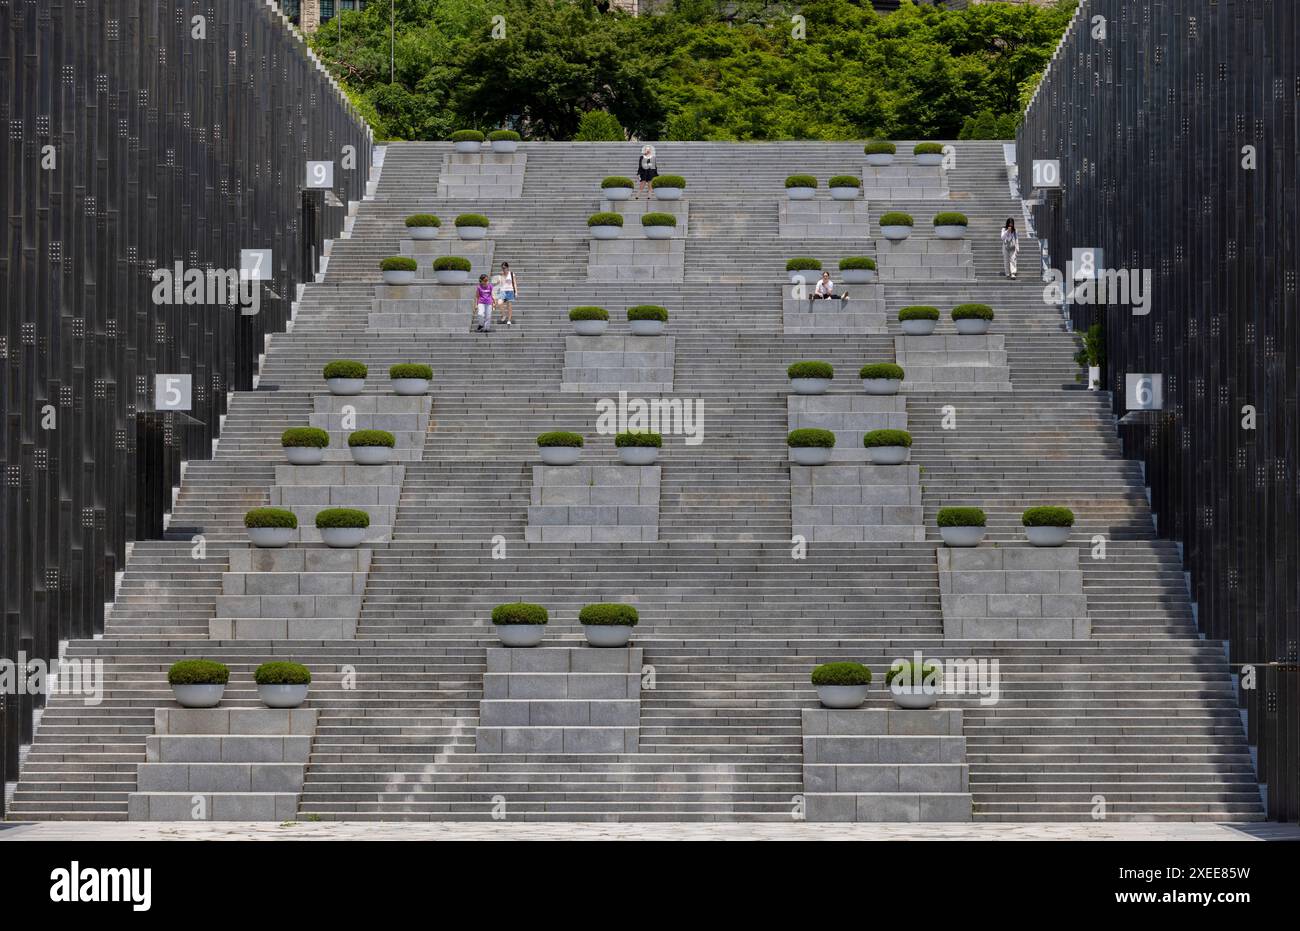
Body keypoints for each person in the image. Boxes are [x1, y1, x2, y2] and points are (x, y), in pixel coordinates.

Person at [497, 262, 518, 326]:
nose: (503, 269)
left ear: (507, 267)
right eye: (502, 268)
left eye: (504, 268)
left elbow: (514, 283)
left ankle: (509, 320)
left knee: (509, 306)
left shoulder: (511, 274)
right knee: (499, 303)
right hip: (503, 291)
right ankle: (504, 315)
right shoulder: (501, 275)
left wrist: (516, 292)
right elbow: (499, 284)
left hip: (510, 290)